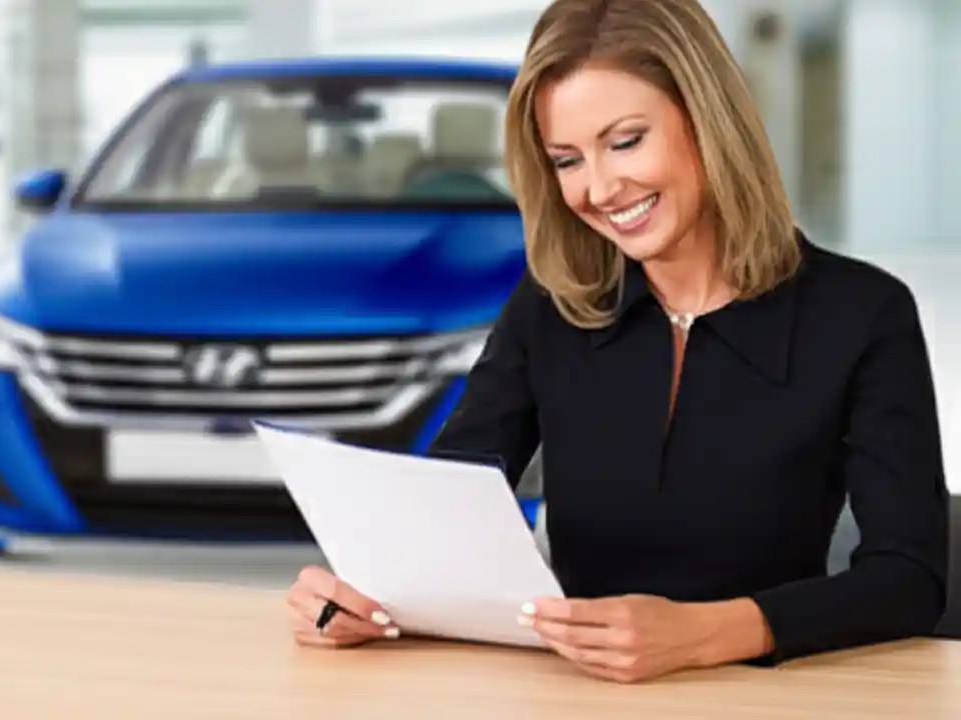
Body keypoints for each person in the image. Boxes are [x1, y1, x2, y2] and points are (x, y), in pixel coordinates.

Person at [285, 0, 950, 683]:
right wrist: (361, 595)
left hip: (762, 697)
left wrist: (702, 635)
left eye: (626, 141)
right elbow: (446, 508)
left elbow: (909, 578)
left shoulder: (863, 313)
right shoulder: (551, 304)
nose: (599, 189)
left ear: (707, 121)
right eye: (567, 159)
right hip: (578, 695)